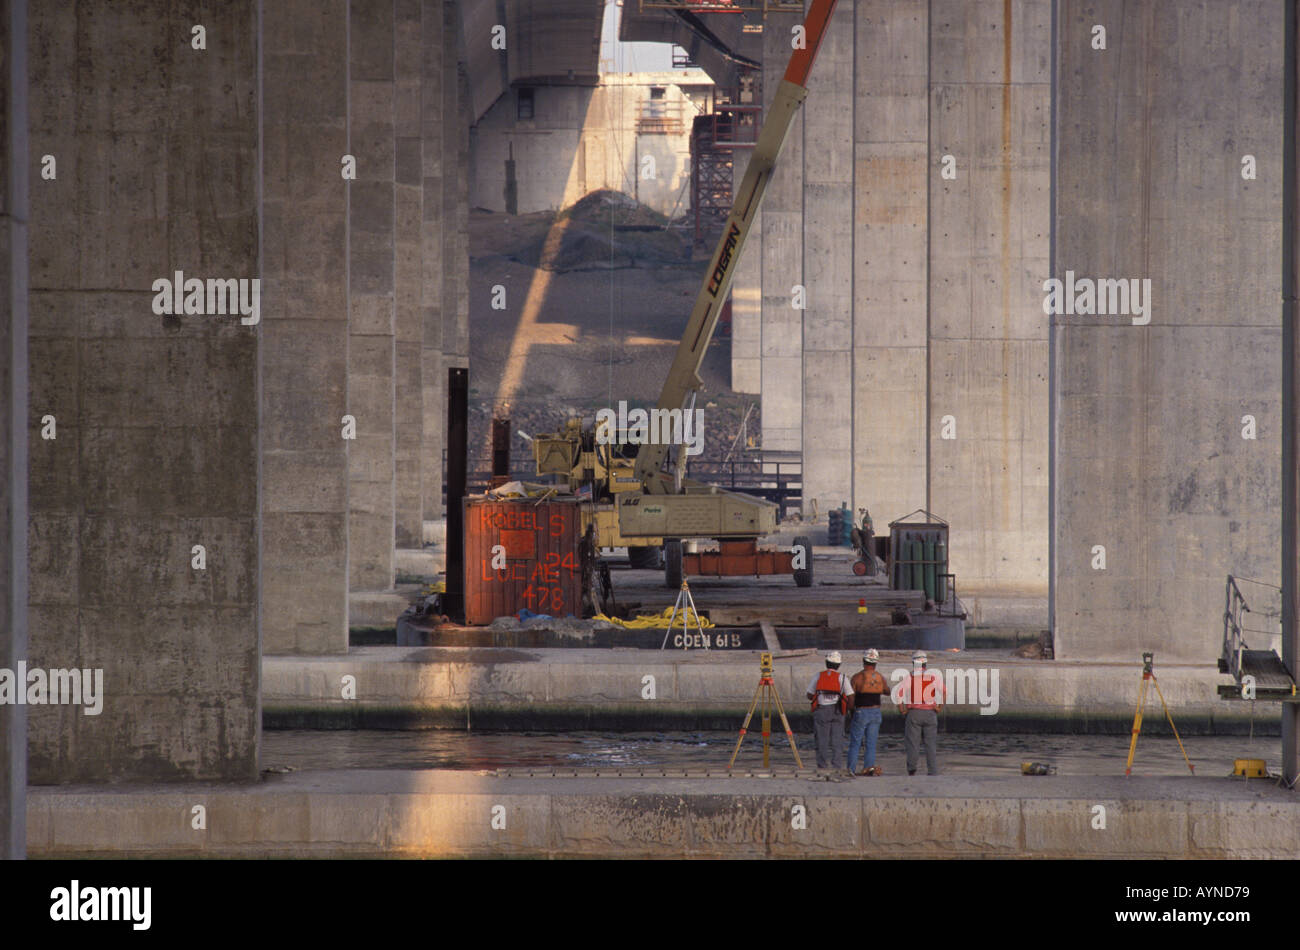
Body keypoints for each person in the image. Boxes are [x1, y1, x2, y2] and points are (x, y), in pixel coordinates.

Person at [896, 650, 945, 775]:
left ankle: (912, 769)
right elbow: (944, 691)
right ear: (925, 664)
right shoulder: (933, 677)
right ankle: (933, 771)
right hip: (930, 713)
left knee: (913, 743)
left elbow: (899, 693)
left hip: (914, 713)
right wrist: (939, 707)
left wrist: (902, 709)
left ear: (914, 663)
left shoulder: (909, 677)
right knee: (931, 745)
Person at [805, 651, 853, 770]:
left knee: (821, 740)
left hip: (821, 710)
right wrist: (848, 710)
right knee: (837, 740)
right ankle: (836, 766)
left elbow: (809, 695)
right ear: (839, 665)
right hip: (838, 711)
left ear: (826, 662)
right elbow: (851, 696)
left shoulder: (818, 676)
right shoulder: (842, 678)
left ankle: (822, 766)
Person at [848, 649, 888, 775]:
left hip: (861, 711)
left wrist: (851, 712)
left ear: (863, 661)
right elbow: (887, 691)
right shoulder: (880, 677)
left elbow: (851, 697)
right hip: (875, 711)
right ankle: (869, 769)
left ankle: (851, 770)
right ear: (876, 663)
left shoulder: (857, 677)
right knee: (871, 743)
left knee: (855, 743)